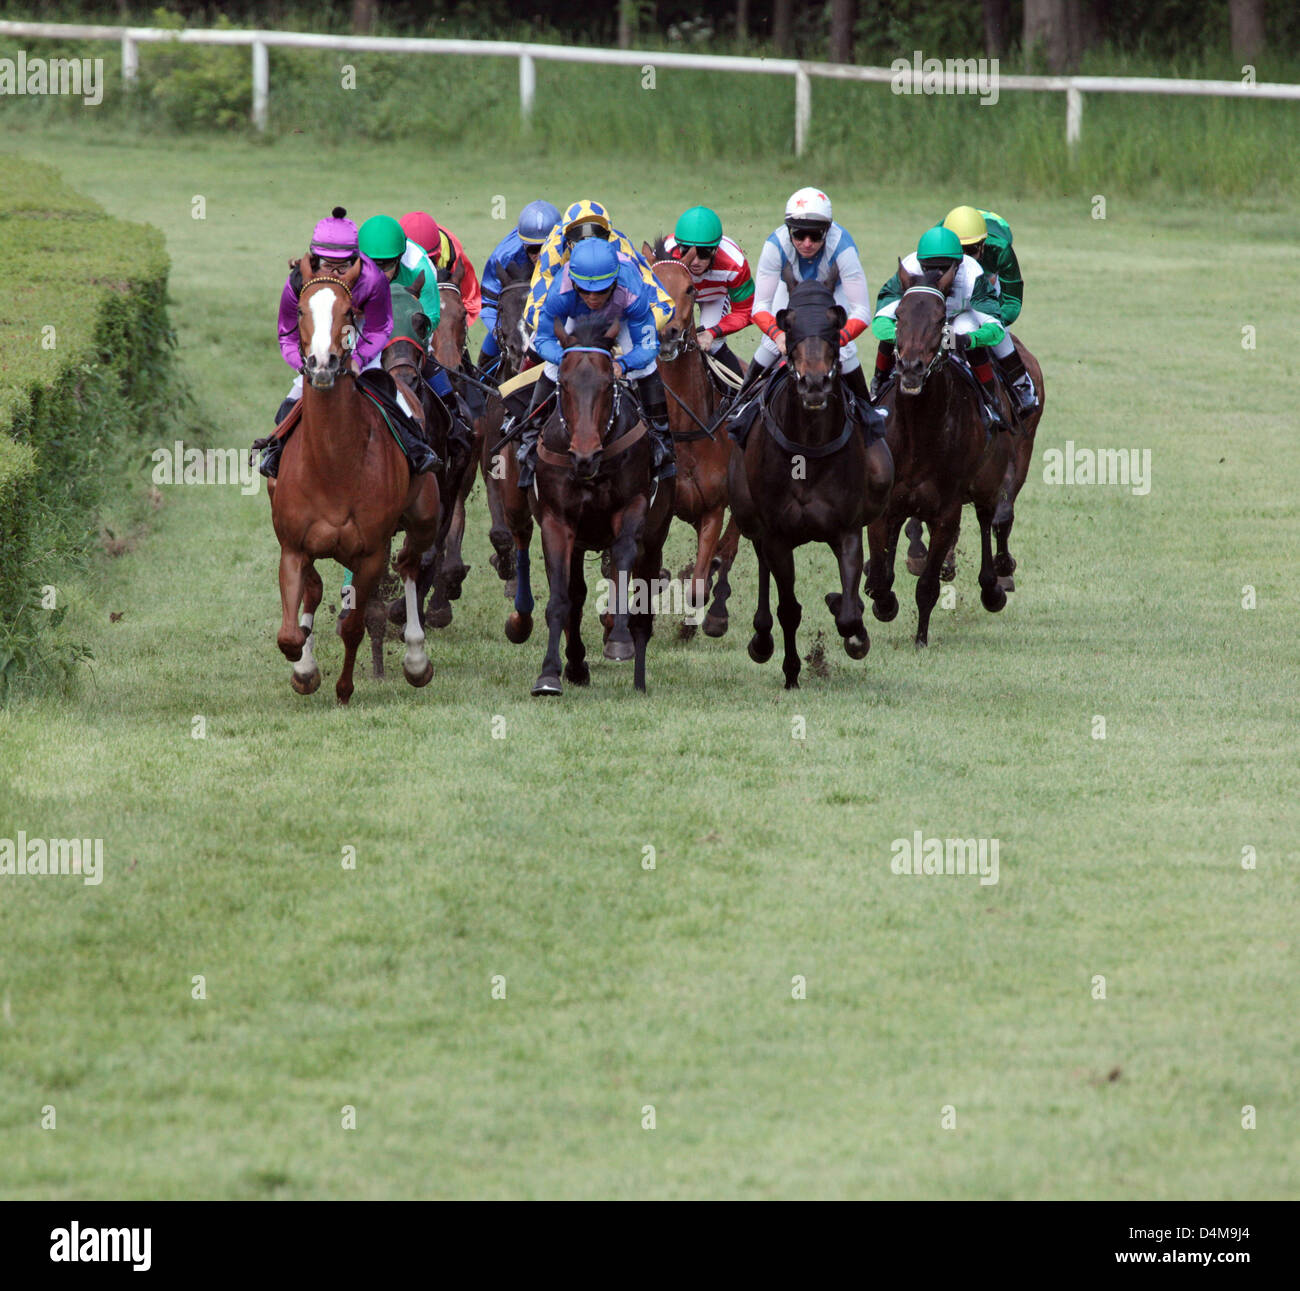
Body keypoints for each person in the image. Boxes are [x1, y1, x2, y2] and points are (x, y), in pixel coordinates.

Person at [259, 207, 433, 477]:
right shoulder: (297, 281)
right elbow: (287, 333)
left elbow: (380, 327)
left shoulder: (372, 278)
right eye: (329, 264)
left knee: (393, 394)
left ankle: (417, 449)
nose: (337, 272)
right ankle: (276, 451)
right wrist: (302, 364)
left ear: (355, 258)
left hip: (361, 333)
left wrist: (358, 359)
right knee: (293, 397)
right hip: (319, 338)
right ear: (315, 259)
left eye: (344, 265)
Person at [516, 238, 671, 489]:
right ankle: (530, 438)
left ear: (615, 281)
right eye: (585, 290)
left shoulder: (632, 288)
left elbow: (649, 347)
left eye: (601, 290)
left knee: (646, 367)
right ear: (574, 283)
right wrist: (567, 359)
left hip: (618, 320)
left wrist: (625, 364)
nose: (592, 297)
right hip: (574, 320)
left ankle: (661, 439)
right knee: (553, 368)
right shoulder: (561, 291)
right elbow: (543, 339)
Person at [740, 187, 873, 401]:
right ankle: (740, 404)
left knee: (846, 352)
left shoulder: (842, 247)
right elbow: (760, 307)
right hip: (791, 293)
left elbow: (862, 311)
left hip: (832, 295)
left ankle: (868, 415)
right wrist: (777, 335)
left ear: (827, 231)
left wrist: (839, 338)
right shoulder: (775, 245)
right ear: (789, 230)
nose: (807, 243)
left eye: (816, 235)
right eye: (799, 235)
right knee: (770, 344)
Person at [870, 224, 1009, 430]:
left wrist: (969, 340)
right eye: (930, 267)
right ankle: (877, 389)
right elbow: (880, 321)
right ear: (920, 263)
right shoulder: (909, 269)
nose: (937, 274)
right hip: (924, 322)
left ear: (958, 264)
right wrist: (902, 335)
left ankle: (991, 402)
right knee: (900, 327)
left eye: (945, 267)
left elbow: (996, 329)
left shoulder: (973, 275)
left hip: (961, 316)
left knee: (964, 328)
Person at [523, 198, 675, 336]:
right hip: (570, 312)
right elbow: (533, 309)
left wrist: (638, 327)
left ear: (608, 237)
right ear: (568, 242)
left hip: (615, 314)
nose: (591, 250)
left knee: (644, 360)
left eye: (597, 241)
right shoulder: (553, 252)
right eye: (580, 244)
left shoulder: (621, 248)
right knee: (538, 343)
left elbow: (664, 304)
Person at [941, 205, 1036, 412]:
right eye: (960, 251)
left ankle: (1021, 384)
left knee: (971, 327)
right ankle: (882, 381)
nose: (965, 258)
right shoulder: (937, 244)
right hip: (950, 289)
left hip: (986, 287)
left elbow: (1011, 302)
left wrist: (988, 326)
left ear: (983, 245)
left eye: (972, 250)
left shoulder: (999, 249)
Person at [657, 204, 754, 379]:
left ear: (716, 249)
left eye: (704, 253)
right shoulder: (665, 255)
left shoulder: (735, 264)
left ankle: (738, 395)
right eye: (688, 252)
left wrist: (713, 332)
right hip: (676, 297)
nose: (695, 261)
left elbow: (746, 311)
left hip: (713, 297)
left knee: (713, 343)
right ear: (679, 247)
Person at [478, 199, 561, 371]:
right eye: (532, 249)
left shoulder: (569, 253)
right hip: (514, 315)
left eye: (544, 248)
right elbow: (488, 303)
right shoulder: (503, 257)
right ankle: (480, 385)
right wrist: (501, 334)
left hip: (554, 313)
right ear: (523, 242)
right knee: (487, 356)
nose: (538, 255)